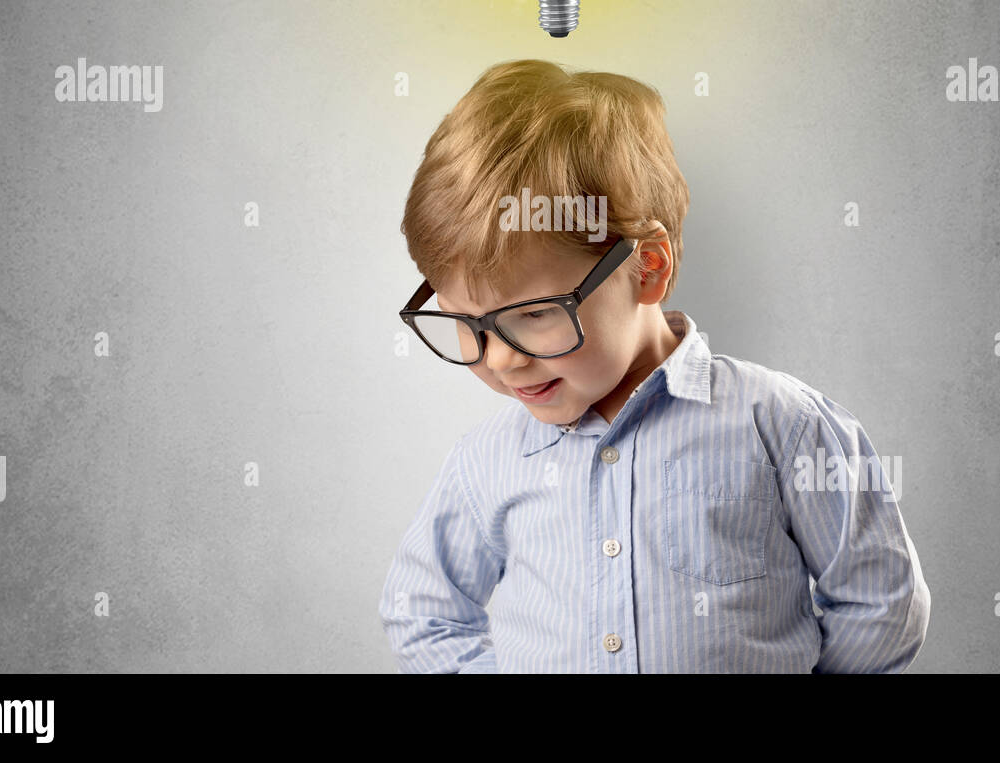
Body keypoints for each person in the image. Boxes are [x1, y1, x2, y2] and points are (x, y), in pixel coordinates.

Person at [379, 59, 930, 672]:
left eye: (535, 315)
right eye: (467, 322)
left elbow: (881, 599)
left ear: (647, 268)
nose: (503, 359)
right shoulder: (486, 461)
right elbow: (422, 611)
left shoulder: (780, 424)